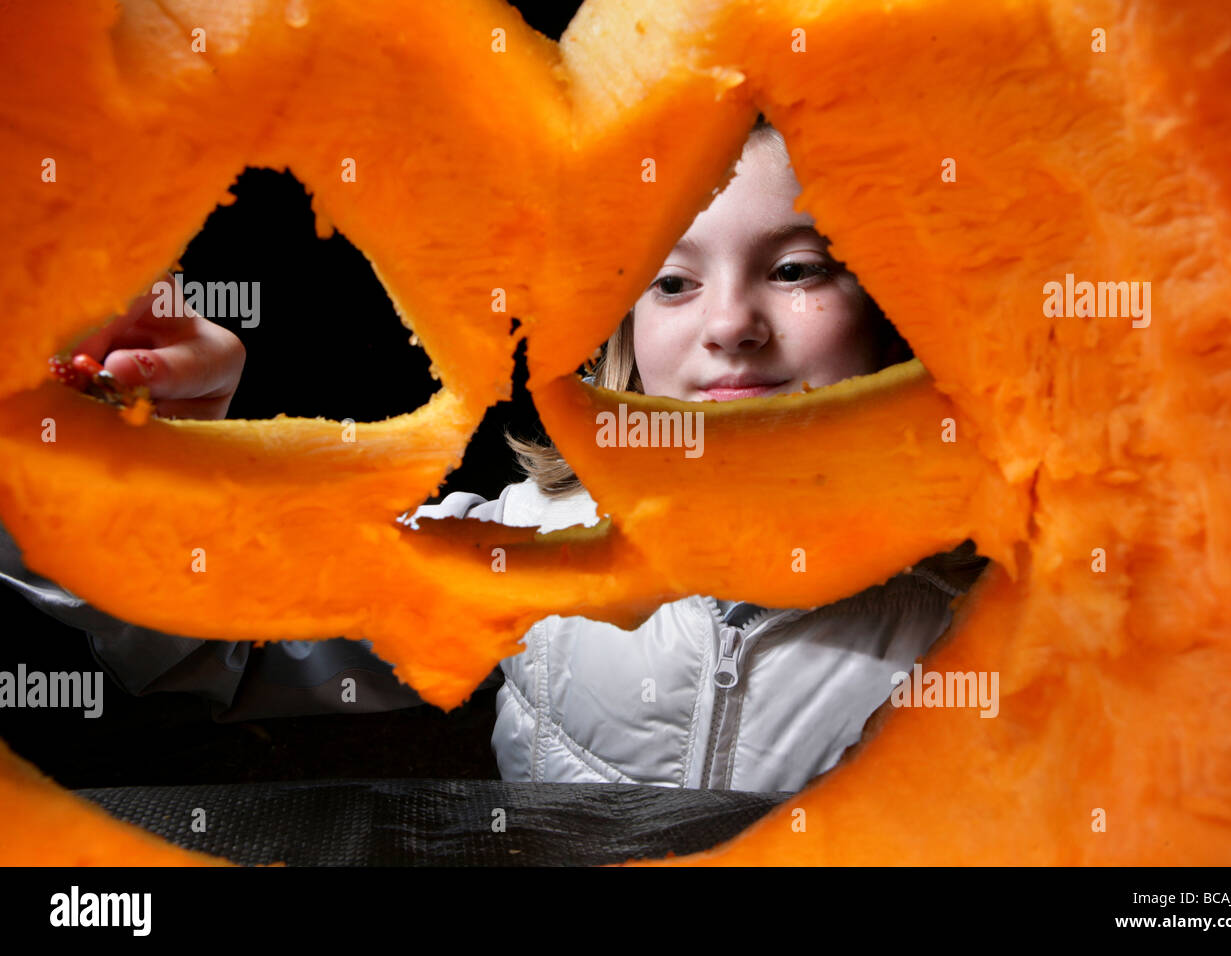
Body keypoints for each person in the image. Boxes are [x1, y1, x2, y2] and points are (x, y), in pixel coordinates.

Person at [0, 117, 986, 791]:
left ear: (898, 304)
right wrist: (129, 449)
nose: (730, 324)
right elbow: (225, 637)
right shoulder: (528, 546)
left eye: (795, 268)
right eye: (671, 281)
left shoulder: (1000, 614)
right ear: (618, 332)